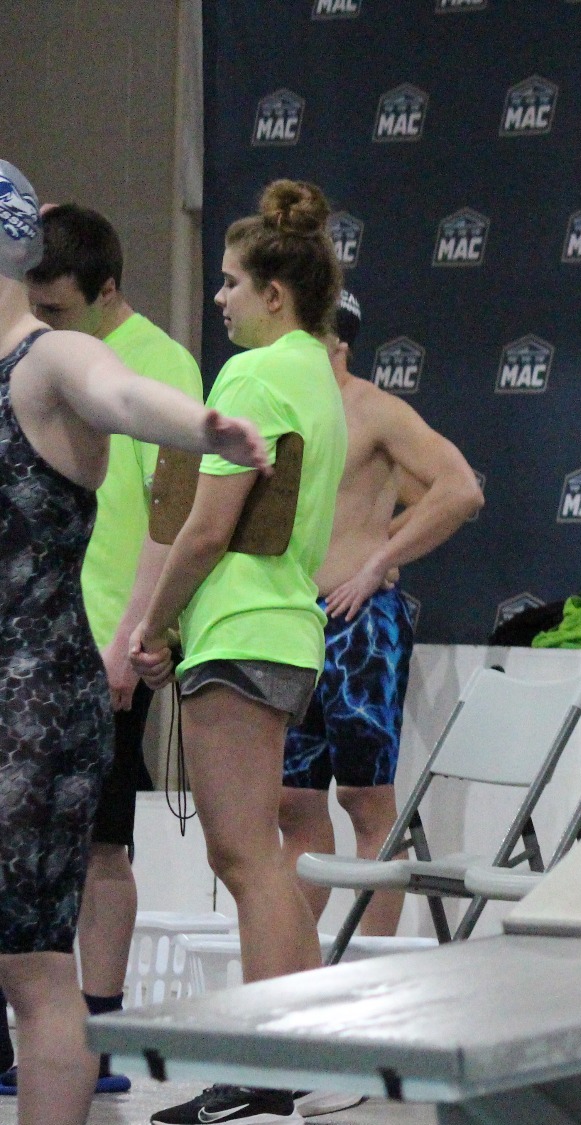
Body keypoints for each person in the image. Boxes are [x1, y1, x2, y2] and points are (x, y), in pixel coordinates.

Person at [0, 159, 269, 1125]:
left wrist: (202, 427)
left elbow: (118, 396)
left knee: (33, 967)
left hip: (33, 695)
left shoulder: (49, 358)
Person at [131, 179, 349, 1125]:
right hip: (287, 630)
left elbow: (206, 529)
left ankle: (261, 1071)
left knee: (246, 856)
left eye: (229, 283)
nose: (218, 298)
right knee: (259, 855)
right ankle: (303, 1051)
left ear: (274, 292)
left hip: (240, 632)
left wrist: (152, 625)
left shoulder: (252, 377)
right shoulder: (317, 374)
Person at [2, 203, 203, 1098]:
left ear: (104, 288)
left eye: (55, 304)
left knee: (96, 855)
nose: (42, 315)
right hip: (33, 643)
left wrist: (138, 631)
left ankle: (105, 1021)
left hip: (80, 654)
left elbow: (171, 508)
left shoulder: (141, 360)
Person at [276, 290, 482, 947]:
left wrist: (378, 558)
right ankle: (291, 962)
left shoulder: (375, 410)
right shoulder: (282, 407)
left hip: (358, 628)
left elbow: (459, 490)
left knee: (365, 802)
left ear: (336, 339)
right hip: (293, 624)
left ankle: (374, 967)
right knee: (294, 806)